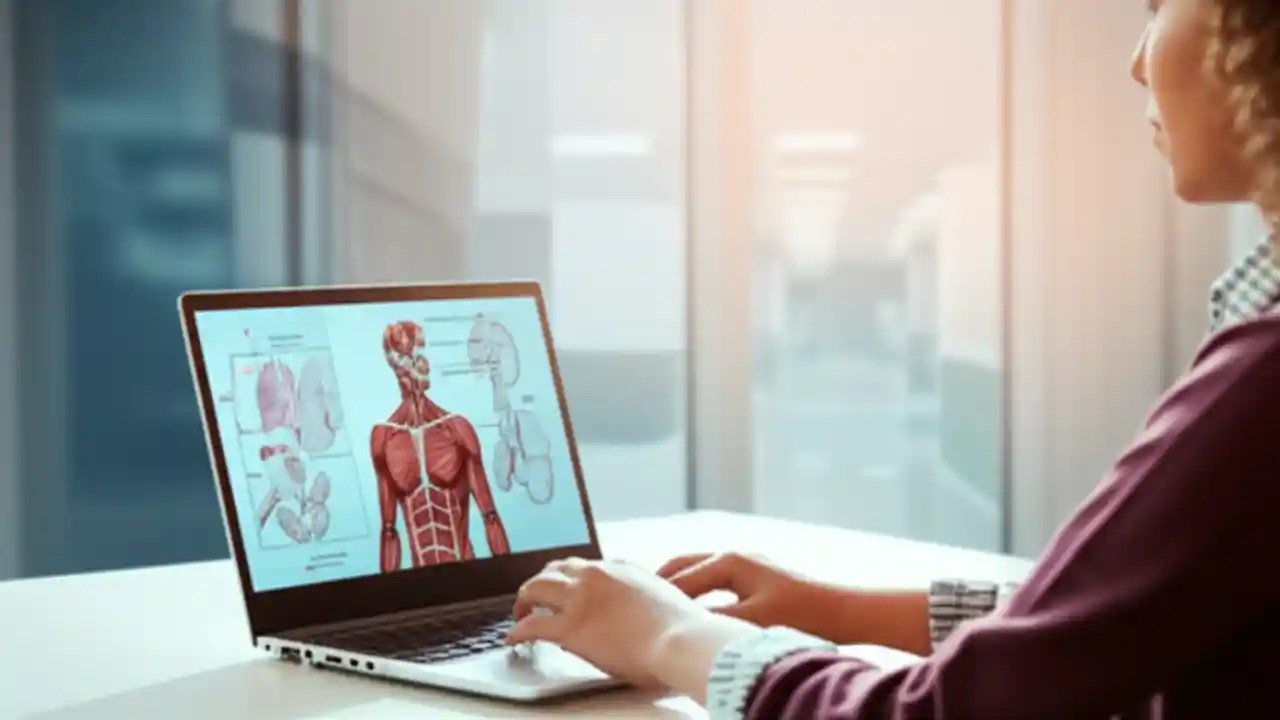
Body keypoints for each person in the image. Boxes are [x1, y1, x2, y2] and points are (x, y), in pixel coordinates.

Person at [505, 1, 1280, 717]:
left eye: (1159, 7)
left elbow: (939, 713)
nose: (1138, 62)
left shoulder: (1265, 376)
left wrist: (667, 636)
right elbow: (1107, 625)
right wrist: (841, 611)